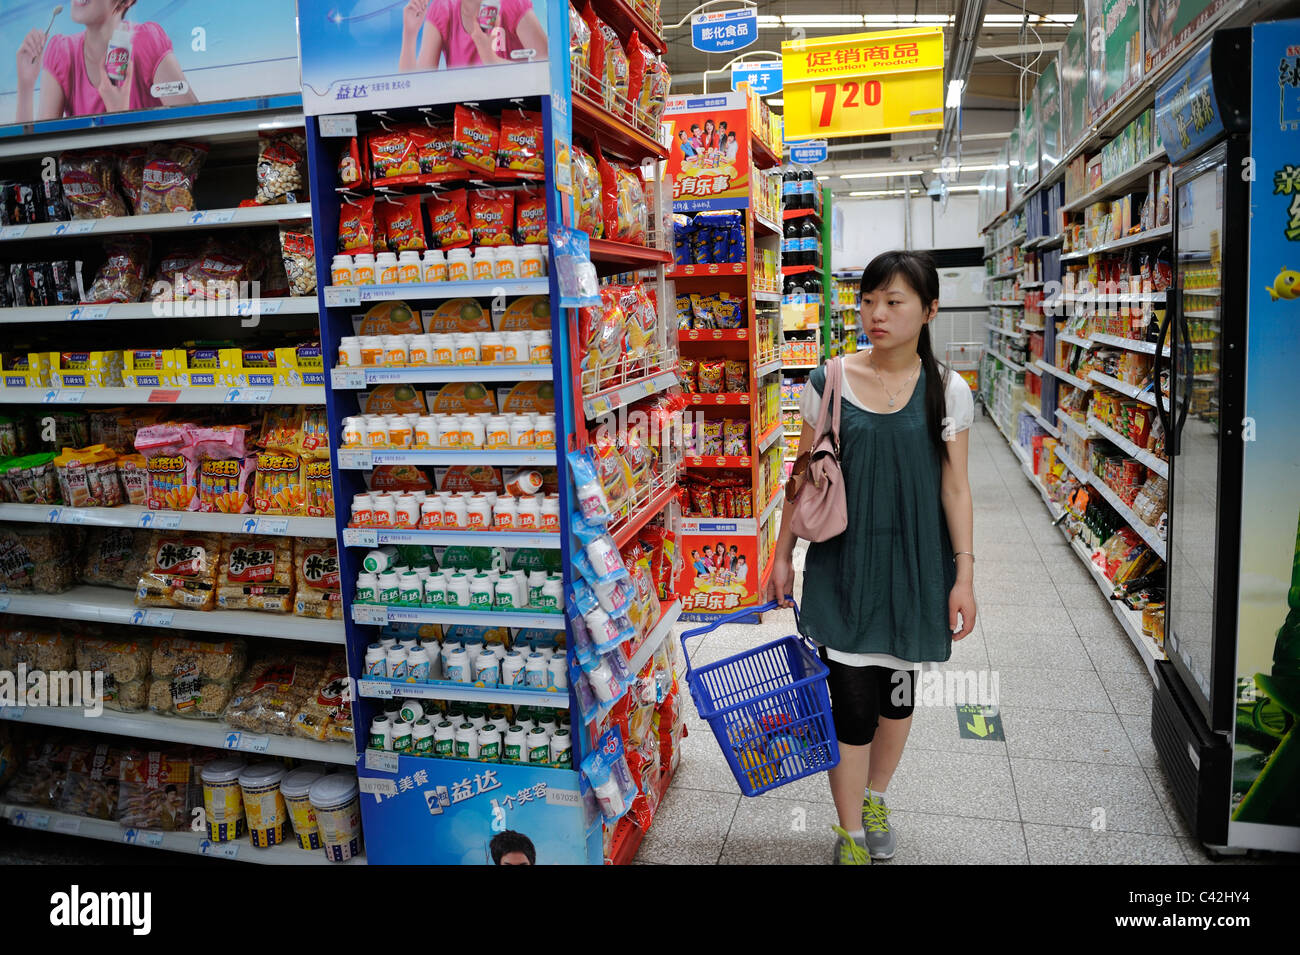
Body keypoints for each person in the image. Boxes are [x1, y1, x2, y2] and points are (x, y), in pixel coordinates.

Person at [766, 250, 976, 866]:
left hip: (916, 567)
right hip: (845, 565)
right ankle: (851, 831)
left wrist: (964, 575)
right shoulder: (828, 380)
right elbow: (802, 476)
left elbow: (955, 487)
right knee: (851, 705)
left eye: (894, 301)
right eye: (868, 300)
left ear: (929, 310)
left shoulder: (948, 389)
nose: (876, 314)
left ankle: (878, 796)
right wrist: (783, 557)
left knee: (896, 700)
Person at [14, 0, 198, 124]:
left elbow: (193, 128)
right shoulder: (62, 52)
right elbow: (42, 153)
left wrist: (119, 116)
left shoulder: (147, 41)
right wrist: (25, 85)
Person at [399, 0, 548, 72]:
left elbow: (548, 71)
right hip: (464, 122)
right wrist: (409, 35)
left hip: (513, 116)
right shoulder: (442, 9)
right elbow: (419, 86)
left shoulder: (511, 4)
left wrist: (491, 59)